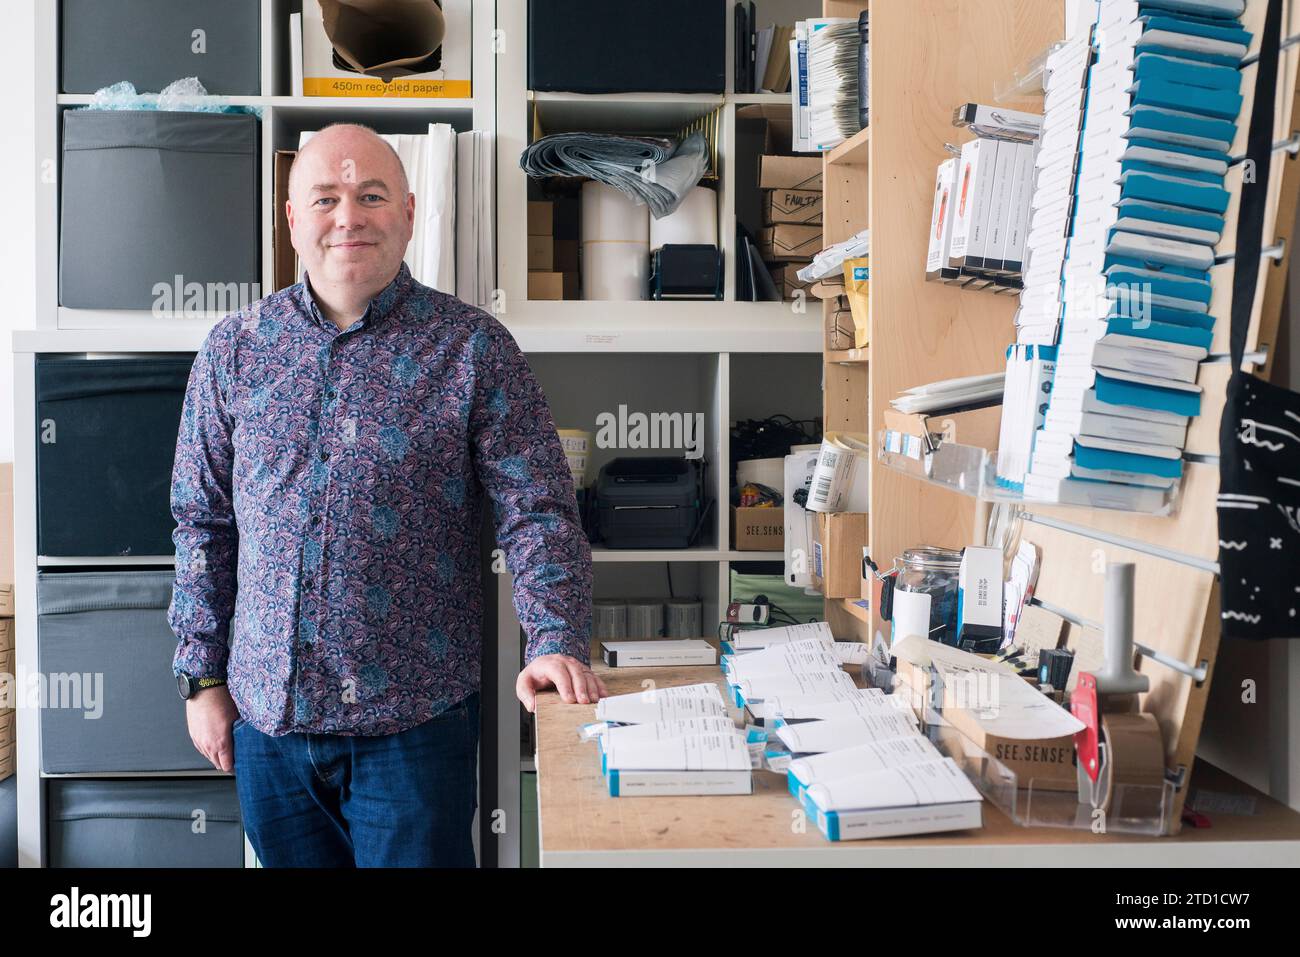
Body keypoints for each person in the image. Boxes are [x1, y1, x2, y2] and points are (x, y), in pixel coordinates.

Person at [167, 122, 604, 867]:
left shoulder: (473, 348)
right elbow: (201, 522)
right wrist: (201, 676)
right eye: (327, 197)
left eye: (370, 195)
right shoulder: (233, 350)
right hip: (269, 725)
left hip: (413, 728)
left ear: (406, 210)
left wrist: (555, 635)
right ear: (293, 216)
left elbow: (538, 510)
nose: (349, 217)